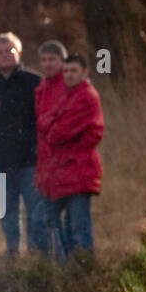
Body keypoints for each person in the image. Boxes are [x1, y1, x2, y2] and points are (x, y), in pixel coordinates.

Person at [0, 33, 44, 257]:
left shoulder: (34, 82)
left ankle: (35, 253)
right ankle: (12, 252)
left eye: (9, 50)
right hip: (2, 161)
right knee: (8, 212)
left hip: (31, 159)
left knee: (36, 210)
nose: (5, 56)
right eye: (0, 52)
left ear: (19, 53)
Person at [36, 53, 104, 258]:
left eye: (74, 71)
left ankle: (80, 272)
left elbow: (57, 133)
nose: (68, 75)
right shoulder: (68, 95)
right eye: (65, 71)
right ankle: (65, 270)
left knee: (77, 227)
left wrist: (53, 125)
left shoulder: (85, 96)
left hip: (78, 170)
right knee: (53, 221)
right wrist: (53, 124)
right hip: (64, 171)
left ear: (85, 72)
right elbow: (43, 123)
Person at [32, 40, 70, 257]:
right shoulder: (42, 89)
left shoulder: (69, 86)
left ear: (62, 61)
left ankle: (67, 270)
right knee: (45, 220)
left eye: (52, 59)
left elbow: (59, 125)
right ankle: (57, 270)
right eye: (44, 60)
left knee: (51, 219)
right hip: (47, 166)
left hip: (68, 166)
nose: (47, 64)